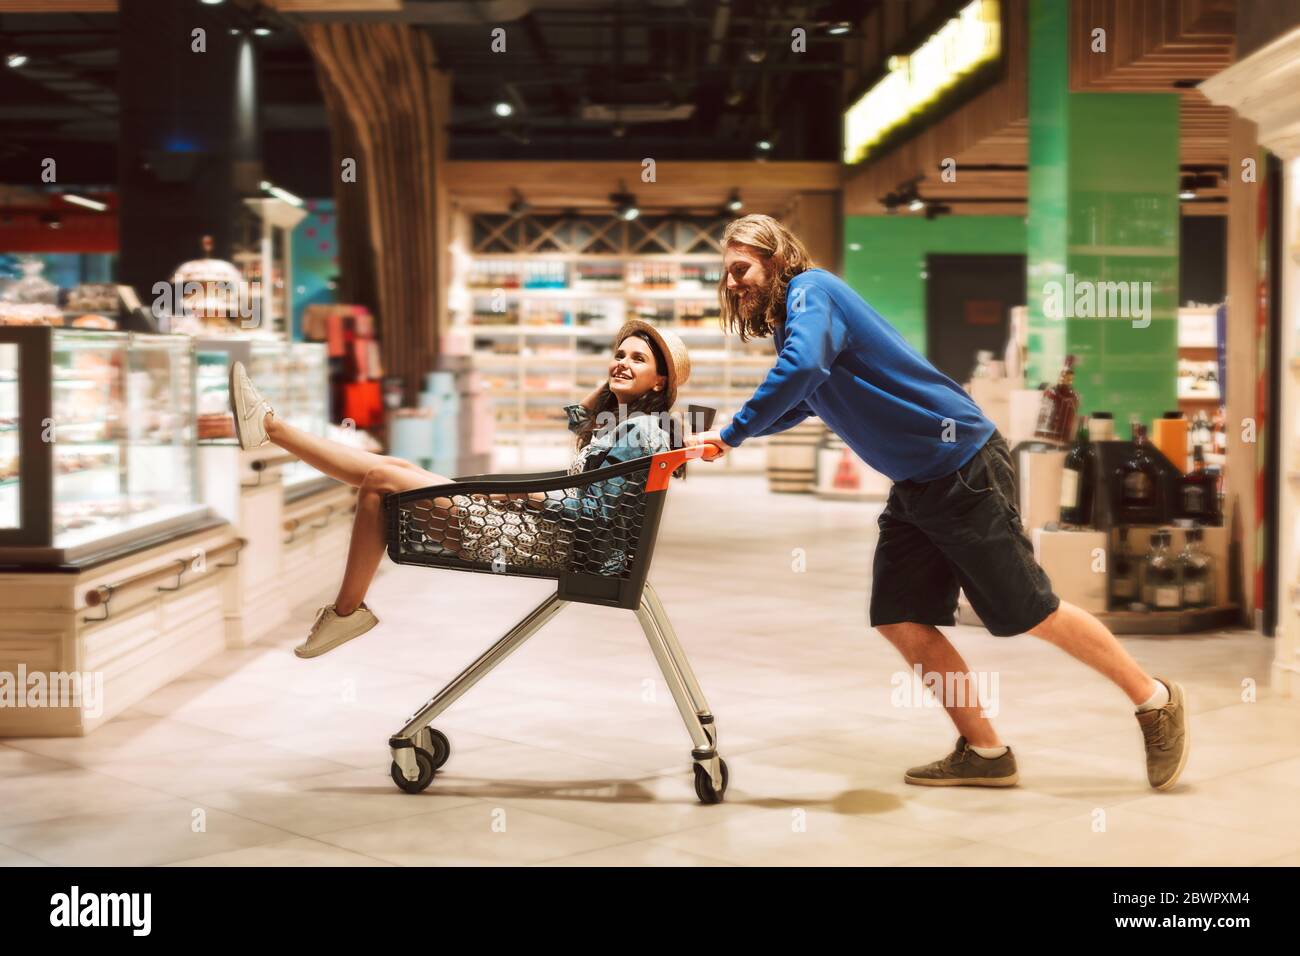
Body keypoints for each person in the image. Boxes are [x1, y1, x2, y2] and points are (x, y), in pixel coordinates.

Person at [690, 214, 1189, 792]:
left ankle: (1154, 699)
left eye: (740, 268)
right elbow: (811, 398)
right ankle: (985, 751)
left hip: (962, 468)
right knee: (900, 616)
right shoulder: (794, 320)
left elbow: (803, 370)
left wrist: (736, 430)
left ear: (776, 258)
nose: (732, 283)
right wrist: (730, 435)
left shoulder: (812, 290)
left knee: (1029, 610)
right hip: (915, 484)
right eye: (726, 273)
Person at [229, 318, 690, 659]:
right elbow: (576, 417)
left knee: (383, 480)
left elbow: (597, 513)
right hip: (546, 532)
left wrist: (523, 495)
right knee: (388, 471)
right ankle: (270, 429)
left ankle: (272, 430)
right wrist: (615, 382)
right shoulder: (624, 419)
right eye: (620, 354)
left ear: (662, 379)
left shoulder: (641, 431)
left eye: (638, 359)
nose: (622, 363)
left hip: (555, 541)